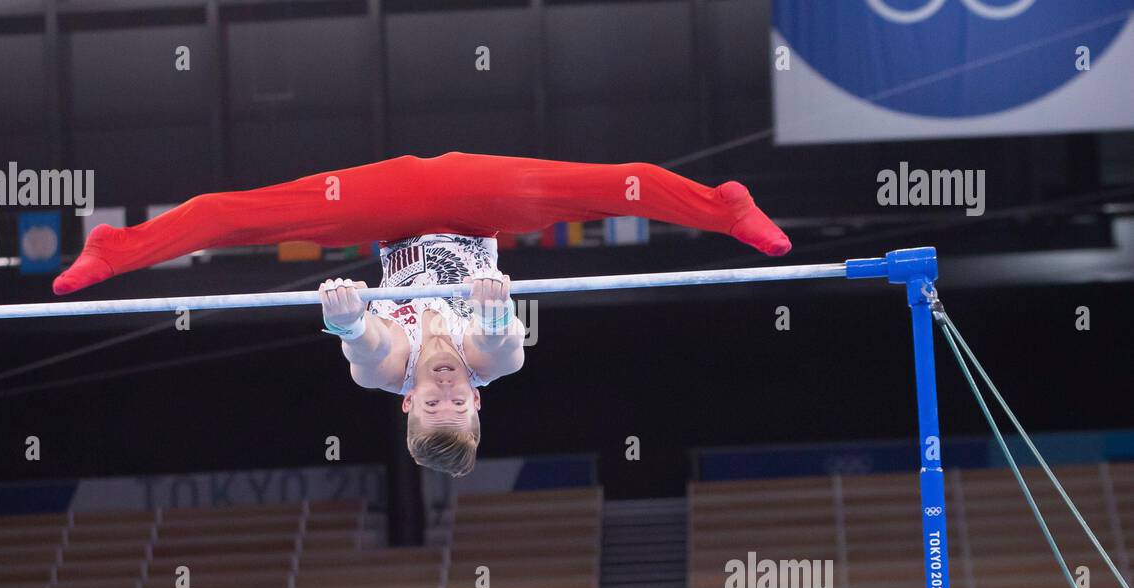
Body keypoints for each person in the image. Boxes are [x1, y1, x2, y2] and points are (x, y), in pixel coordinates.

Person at [53, 151, 792, 476]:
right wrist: (497, 318)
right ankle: (725, 208)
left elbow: (364, 342)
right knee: (615, 184)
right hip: (479, 205)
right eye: (457, 403)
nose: (444, 389)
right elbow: (503, 348)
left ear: (409, 404)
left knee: (237, 215)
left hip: (394, 213)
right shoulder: (491, 360)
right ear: (474, 404)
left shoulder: (387, 370)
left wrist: (346, 319)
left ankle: (114, 249)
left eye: (430, 403)